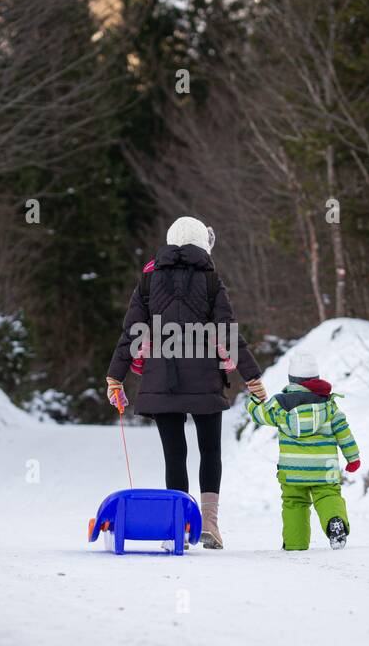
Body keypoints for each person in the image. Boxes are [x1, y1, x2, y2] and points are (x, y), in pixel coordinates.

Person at [106, 216, 265, 549]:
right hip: (205, 381)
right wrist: (252, 377)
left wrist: (114, 378)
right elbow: (228, 332)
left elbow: (131, 333)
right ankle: (209, 525)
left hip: (161, 382)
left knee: (174, 455)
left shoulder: (148, 281)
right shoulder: (210, 280)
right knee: (210, 451)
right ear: (201, 244)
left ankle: (178, 526)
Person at [245, 349, 360, 551]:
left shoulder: (280, 405)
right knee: (328, 496)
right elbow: (344, 432)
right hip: (324, 469)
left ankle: (295, 543)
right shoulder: (329, 406)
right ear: (315, 379)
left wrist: (253, 401)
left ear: (291, 379)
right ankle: (335, 521)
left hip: (293, 470)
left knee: (294, 503)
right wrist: (353, 458)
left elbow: (260, 415)